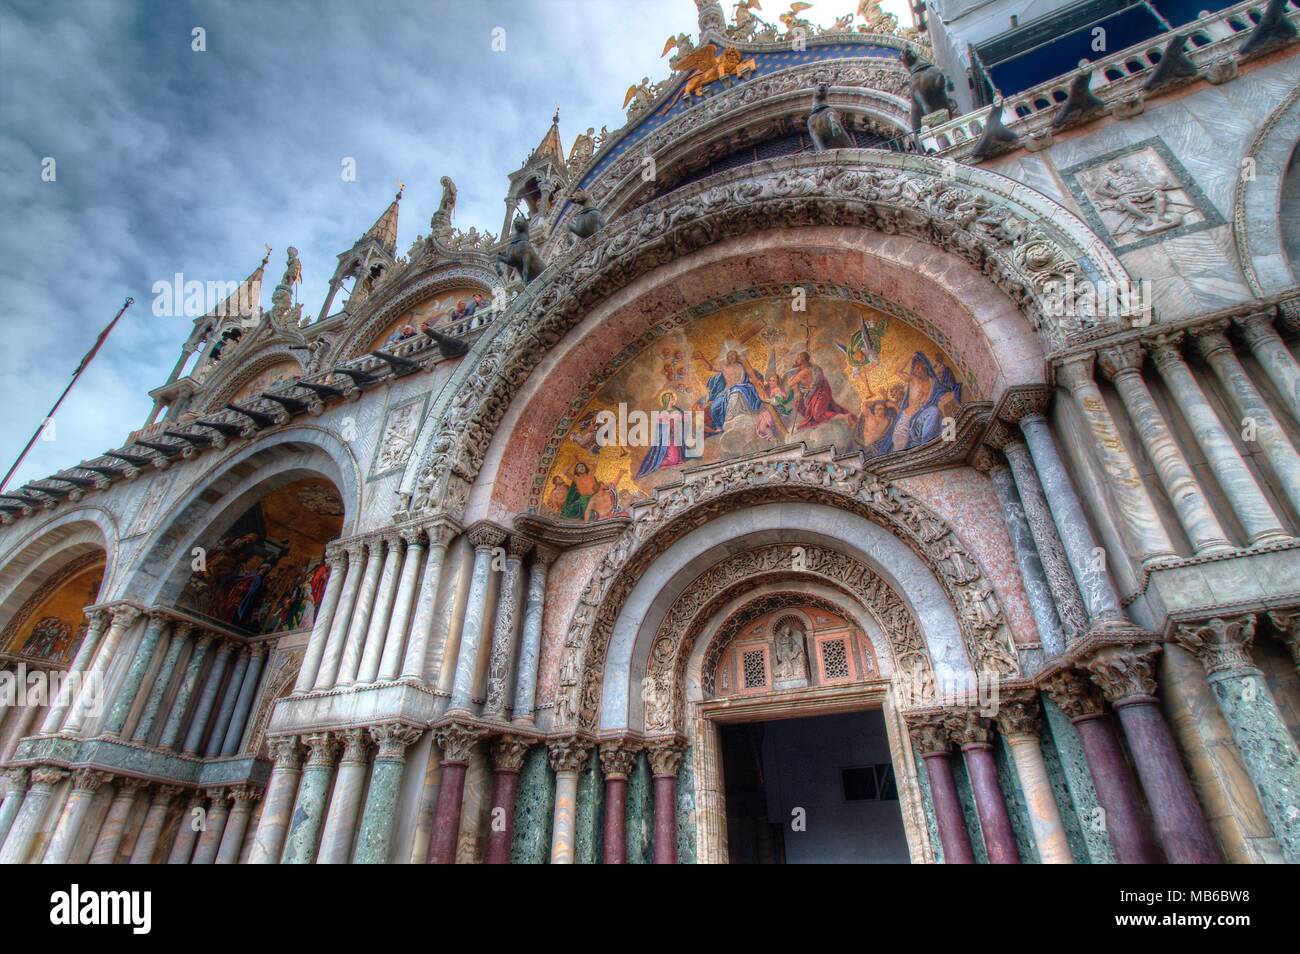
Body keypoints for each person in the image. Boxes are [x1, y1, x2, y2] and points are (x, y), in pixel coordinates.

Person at [787, 351, 854, 432]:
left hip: (818, 394)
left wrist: (791, 374)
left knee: (817, 415)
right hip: (812, 394)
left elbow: (790, 383)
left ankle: (845, 416)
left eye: (798, 358)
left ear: (803, 361)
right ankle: (841, 417)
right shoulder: (806, 369)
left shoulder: (803, 372)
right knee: (799, 405)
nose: (796, 360)